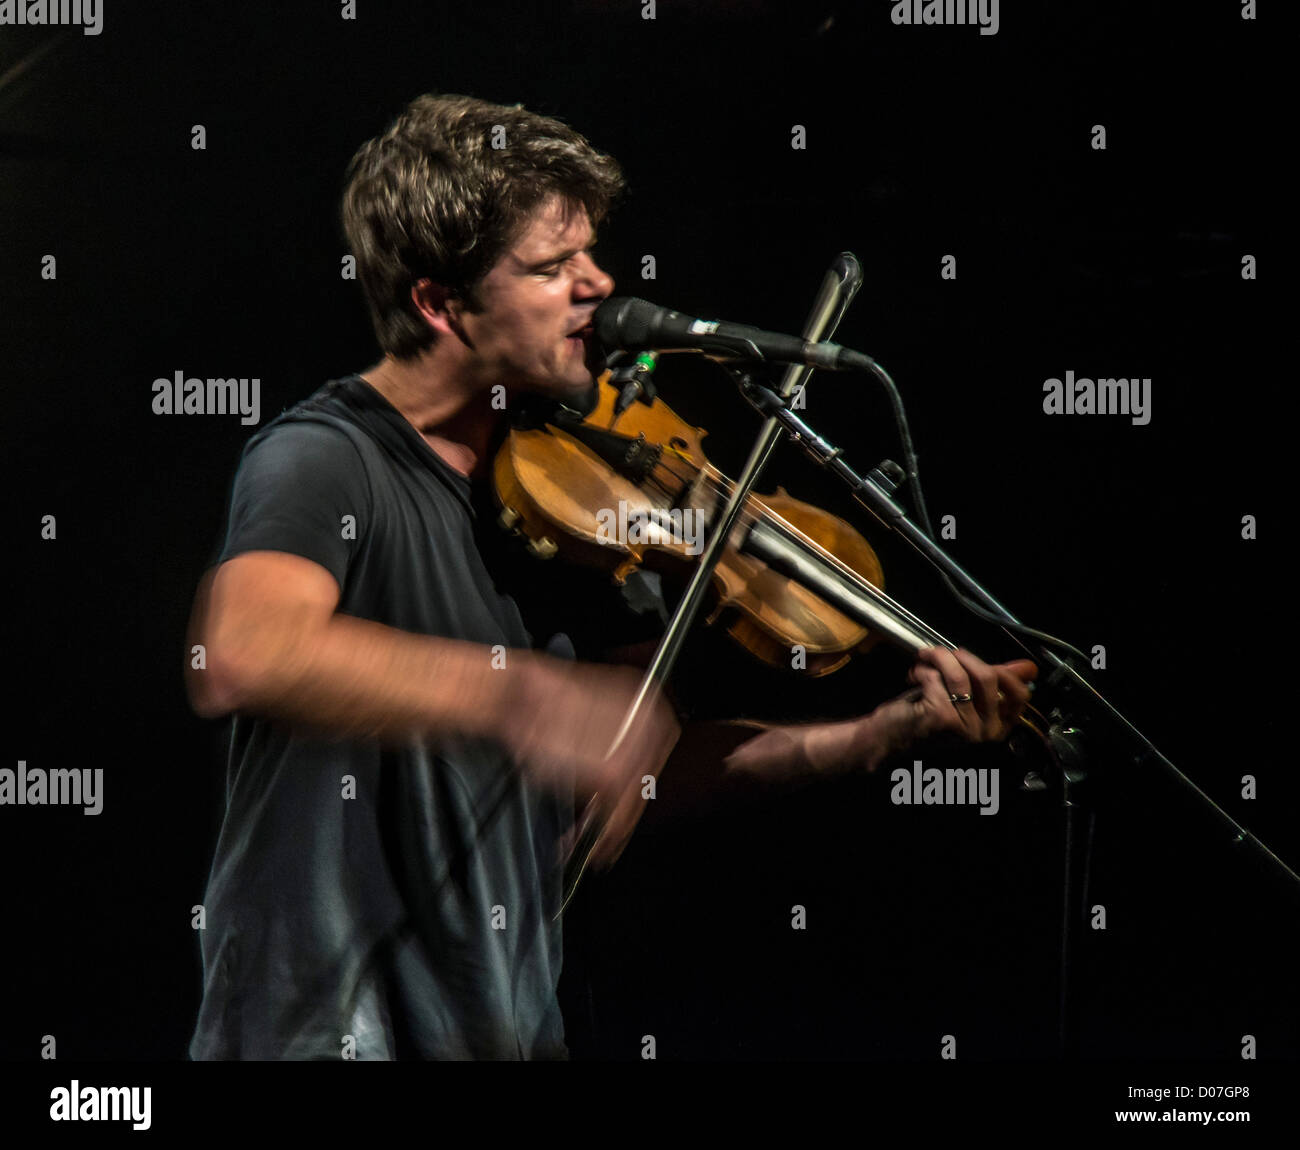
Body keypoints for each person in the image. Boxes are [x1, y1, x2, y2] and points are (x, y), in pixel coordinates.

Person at [184, 92, 1037, 1061]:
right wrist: (523, 693)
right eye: (552, 267)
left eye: (591, 253)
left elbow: (636, 770)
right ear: (437, 302)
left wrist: (884, 731)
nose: (600, 283)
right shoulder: (326, 456)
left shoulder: (579, 509)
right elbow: (242, 654)